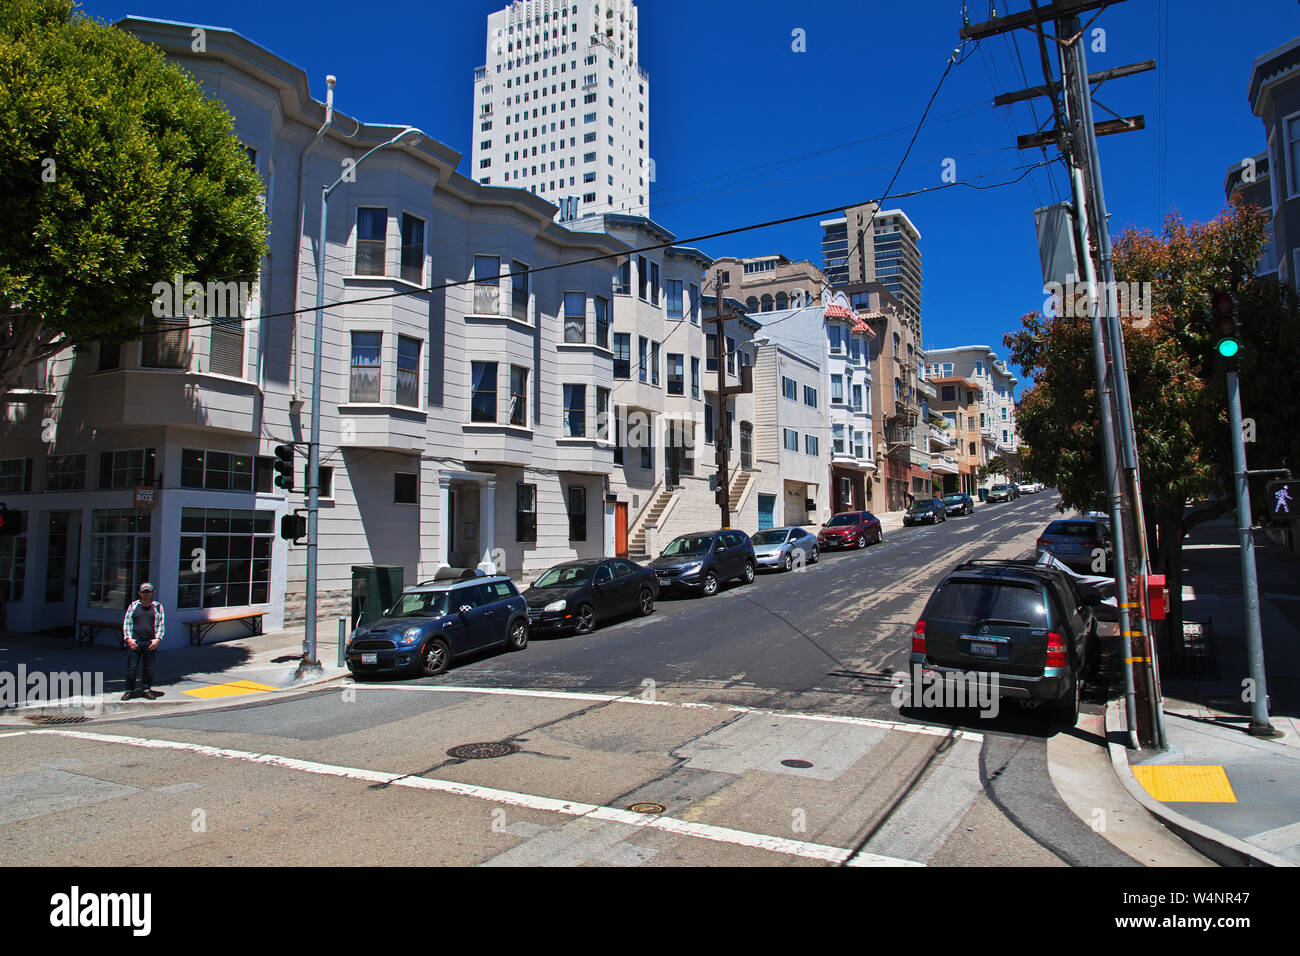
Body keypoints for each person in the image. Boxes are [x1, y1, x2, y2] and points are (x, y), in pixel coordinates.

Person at [122, 582, 165, 701]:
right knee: (132, 667)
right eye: (144, 592)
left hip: (150, 642)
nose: (146, 594)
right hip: (136, 641)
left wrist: (157, 639)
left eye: (148, 592)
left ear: (152, 593)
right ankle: (129, 690)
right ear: (139, 593)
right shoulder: (133, 606)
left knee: (149, 668)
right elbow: (127, 622)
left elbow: (161, 624)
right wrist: (129, 639)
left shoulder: (157, 607)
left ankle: (146, 689)